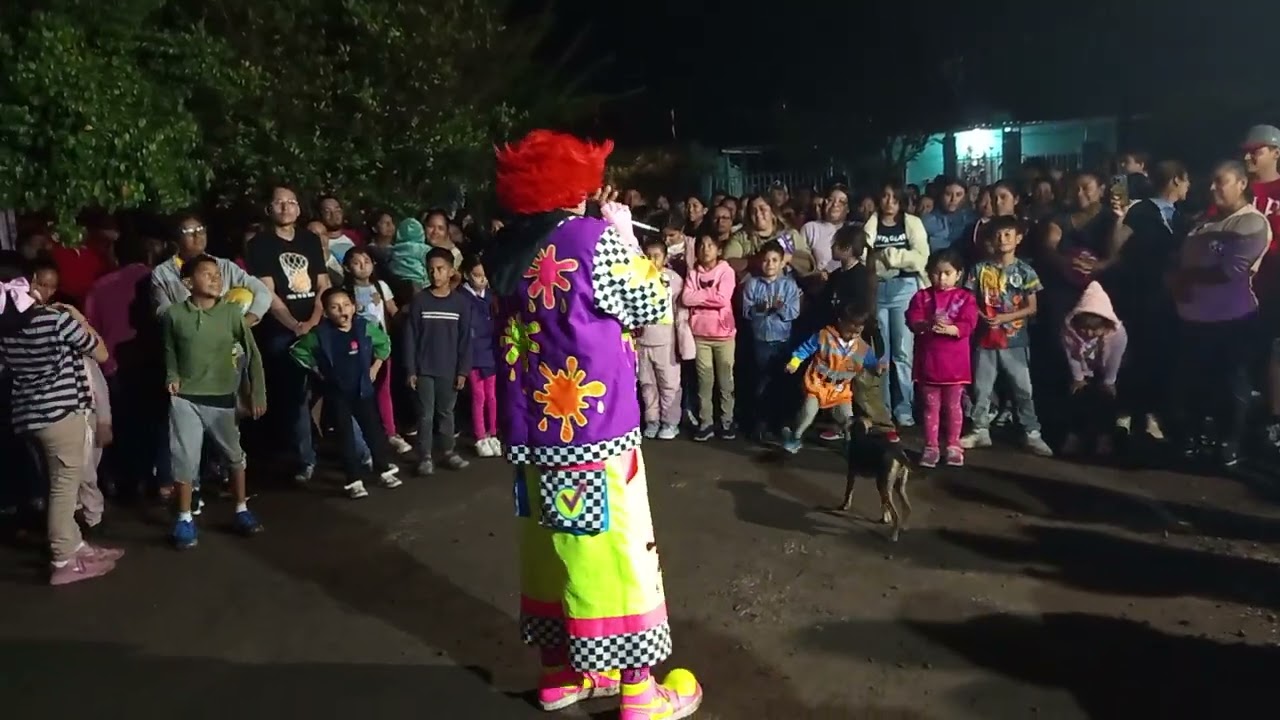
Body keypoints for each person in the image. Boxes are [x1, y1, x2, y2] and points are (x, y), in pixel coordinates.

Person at [486, 129, 702, 718]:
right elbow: (652, 304)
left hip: (530, 433)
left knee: (549, 550)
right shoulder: (592, 238)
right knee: (615, 553)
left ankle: (562, 674)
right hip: (594, 432)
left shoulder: (503, 249)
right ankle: (639, 692)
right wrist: (625, 235)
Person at [0, 265, 124, 585]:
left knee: (56, 483)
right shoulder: (55, 319)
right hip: (63, 415)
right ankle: (63, 558)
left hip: (29, 416)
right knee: (64, 489)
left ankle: (76, 544)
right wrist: (77, 317)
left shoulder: (5, 327)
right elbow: (100, 352)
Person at [161, 255, 267, 548]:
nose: (215, 279)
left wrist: (257, 393)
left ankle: (241, 509)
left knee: (234, 456)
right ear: (188, 282)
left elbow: (252, 354)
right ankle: (184, 518)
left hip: (222, 398)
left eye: (217, 274)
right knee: (184, 460)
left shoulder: (232, 313)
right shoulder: (174, 315)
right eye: (206, 274)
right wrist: (172, 374)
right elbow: (170, 350)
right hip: (185, 399)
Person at [1170, 161, 1270, 466]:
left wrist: (1185, 277)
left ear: (1242, 183)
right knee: (1196, 382)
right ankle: (1196, 436)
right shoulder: (1203, 221)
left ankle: (1230, 441)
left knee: (1232, 383)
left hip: (1232, 319)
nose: (1213, 188)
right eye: (1211, 182)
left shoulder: (1250, 223)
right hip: (1193, 318)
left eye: (1221, 181)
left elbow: (1232, 270)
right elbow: (1182, 259)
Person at [244, 186, 330, 484]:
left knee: (335, 387)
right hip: (282, 330)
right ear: (269, 209)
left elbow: (323, 285)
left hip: (317, 324)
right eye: (279, 202)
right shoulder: (260, 244)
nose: (285, 207)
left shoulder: (310, 240)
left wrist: (314, 320)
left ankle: (358, 452)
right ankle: (305, 458)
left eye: (291, 202)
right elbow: (267, 292)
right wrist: (294, 325)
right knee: (294, 396)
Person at [291, 287, 403, 498]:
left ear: (353, 307)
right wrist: (317, 370)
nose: (342, 310)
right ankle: (354, 480)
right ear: (326, 312)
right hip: (337, 394)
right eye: (335, 307)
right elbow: (298, 351)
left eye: (345, 305)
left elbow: (384, 343)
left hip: (363, 390)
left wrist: (375, 367)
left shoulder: (364, 327)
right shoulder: (320, 334)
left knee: (374, 432)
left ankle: (383, 470)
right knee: (345, 437)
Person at [960, 216, 1054, 456]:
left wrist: (1005, 318)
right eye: (998, 235)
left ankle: (1032, 432)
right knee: (981, 388)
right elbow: (968, 300)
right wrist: (981, 315)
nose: (1003, 239)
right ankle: (980, 429)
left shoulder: (1025, 271)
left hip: (1015, 340)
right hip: (984, 339)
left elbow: (1032, 307)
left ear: (1018, 238)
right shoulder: (979, 269)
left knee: (1023, 389)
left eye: (1008, 234)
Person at [861, 182, 930, 428]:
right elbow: (865, 258)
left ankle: (904, 408)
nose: (889, 201)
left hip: (905, 289)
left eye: (894, 197)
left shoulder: (912, 223)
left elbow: (921, 257)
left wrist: (889, 256)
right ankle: (884, 409)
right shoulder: (871, 225)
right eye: (885, 196)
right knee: (882, 353)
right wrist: (893, 261)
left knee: (903, 353)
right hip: (878, 290)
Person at [906, 249, 978, 467]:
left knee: (954, 407)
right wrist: (926, 324)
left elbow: (969, 323)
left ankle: (953, 445)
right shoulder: (922, 297)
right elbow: (913, 319)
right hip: (929, 364)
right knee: (930, 408)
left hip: (955, 366)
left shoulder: (966, 298)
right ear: (929, 273)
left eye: (948, 273)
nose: (942, 278)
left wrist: (952, 329)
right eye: (937, 273)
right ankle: (931, 446)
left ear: (959, 274)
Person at [403, 247, 472, 476]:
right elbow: (411, 337)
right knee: (425, 414)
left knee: (446, 412)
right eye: (431, 270)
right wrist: (411, 369)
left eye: (440, 269)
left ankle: (449, 452)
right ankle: (425, 456)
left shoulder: (460, 303)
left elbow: (465, 339)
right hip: (424, 369)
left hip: (449, 370)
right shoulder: (420, 301)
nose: (435, 274)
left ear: (451, 271)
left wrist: (463, 370)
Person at [821, 227, 894, 439]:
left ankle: (884, 426)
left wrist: (870, 345)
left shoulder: (862, 276)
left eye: (835, 244)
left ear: (847, 249)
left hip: (859, 337)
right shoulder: (836, 276)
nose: (832, 248)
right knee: (838, 382)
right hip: (837, 338)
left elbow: (866, 313)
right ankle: (843, 424)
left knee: (864, 386)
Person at [782, 302, 882, 454]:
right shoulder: (824, 336)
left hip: (840, 391)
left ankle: (850, 447)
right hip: (817, 385)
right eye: (851, 327)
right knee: (808, 413)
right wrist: (794, 362)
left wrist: (878, 368)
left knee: (848, 420)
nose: (854, 333)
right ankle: (795, 436)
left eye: (859, 328)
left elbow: (872, 363)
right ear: (841, 322)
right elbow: (805, 349)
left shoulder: (863, 348)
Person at [342, 247, 412, 454]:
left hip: (381, 347)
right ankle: (365, 437)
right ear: (347, 268)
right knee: (361, 393)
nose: (363, 266)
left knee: (384, 390)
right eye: (356, 263)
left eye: (366, 261)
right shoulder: (346, 292)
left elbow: (392, 311)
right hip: (357, 349)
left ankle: (390, 432)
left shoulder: (381, 286)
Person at [741, 241, 801, 441]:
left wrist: (780, 307)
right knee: (761, 382)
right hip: (760, 341)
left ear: (782, 263)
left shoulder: (789, 285)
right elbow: (746, 311)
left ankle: (780, 422)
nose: (770, 264)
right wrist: (760, 309)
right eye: (766, 260)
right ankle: (761, 423)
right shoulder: (752, 284)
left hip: (782, 340)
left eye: (775, 260)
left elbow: (794, 312)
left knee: (781, 382)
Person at [1061, 281, 1128, 456]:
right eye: (1084, 329)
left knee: (1106, 399)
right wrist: (1078, 378)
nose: (1088, 334)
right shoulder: (1069, 333)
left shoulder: (1118, 335)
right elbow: (1072, 355)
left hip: (1108, 370)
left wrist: (1109, 381)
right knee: (1078, 397)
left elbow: (1115, 358)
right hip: (1083, 369)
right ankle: (1074, 437)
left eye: (1094, 329)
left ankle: (1104, 439)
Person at [636, 237, 692, 440]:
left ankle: (670, 422)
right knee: (647, 384)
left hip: (666, 341)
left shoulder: (674, 280)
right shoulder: (636, 278)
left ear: (666, 258)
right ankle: (652, 420)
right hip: (642, 342)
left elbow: (681, 314)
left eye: (656, 256)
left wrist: (682, 342)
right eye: (648, 256)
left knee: (669, 385)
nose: (652, 260)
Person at [682, 233, 737, 441]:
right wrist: (710, 294)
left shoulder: (726, 271)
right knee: (704, 382)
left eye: (710, 245)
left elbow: (723, 298)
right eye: (702, 245)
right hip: (700, 336)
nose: (706, 249)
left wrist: (699, 296)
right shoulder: (692, 274)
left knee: (725, 381)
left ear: (719, 249)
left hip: (724, 335)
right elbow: (686, 299)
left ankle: (726, 421)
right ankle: (706, 422)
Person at [461, 255, 502, 456]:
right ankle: (480, 436)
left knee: (492, 396)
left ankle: (492, 433)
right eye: (477, 275)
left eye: (484, 276)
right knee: (478, 396)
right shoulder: (461, 297)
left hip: (490, 350)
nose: (482, 280)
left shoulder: (490, 296)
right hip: (472, 353)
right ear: (466, 275)